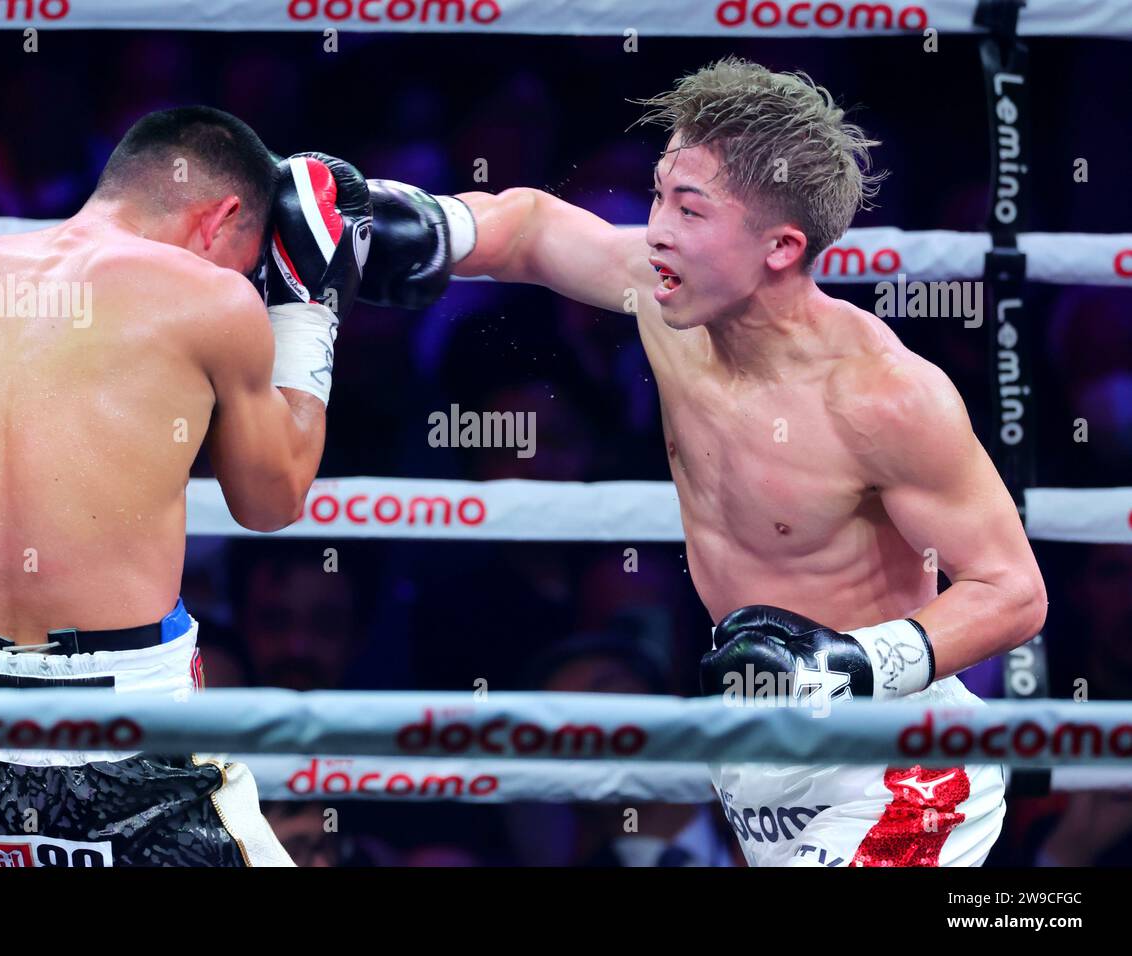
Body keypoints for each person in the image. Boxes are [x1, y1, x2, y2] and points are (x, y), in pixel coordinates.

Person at [366, 58, 1048, 866]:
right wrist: (421, 223)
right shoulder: (665, 300)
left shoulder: (883, 398)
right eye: (658, 194)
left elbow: (1014, 592)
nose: (655, 227)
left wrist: (854, 664)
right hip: (757, 750)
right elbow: (536, 229)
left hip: (898, 761)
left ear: (781, 246)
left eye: (688, 209)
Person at [0, 106, 373, 867]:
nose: (240, 280)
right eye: (243, 259)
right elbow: (272, 500)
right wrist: (308, 308)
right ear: (223, 215)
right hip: (126, 731)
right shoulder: (213, 299)